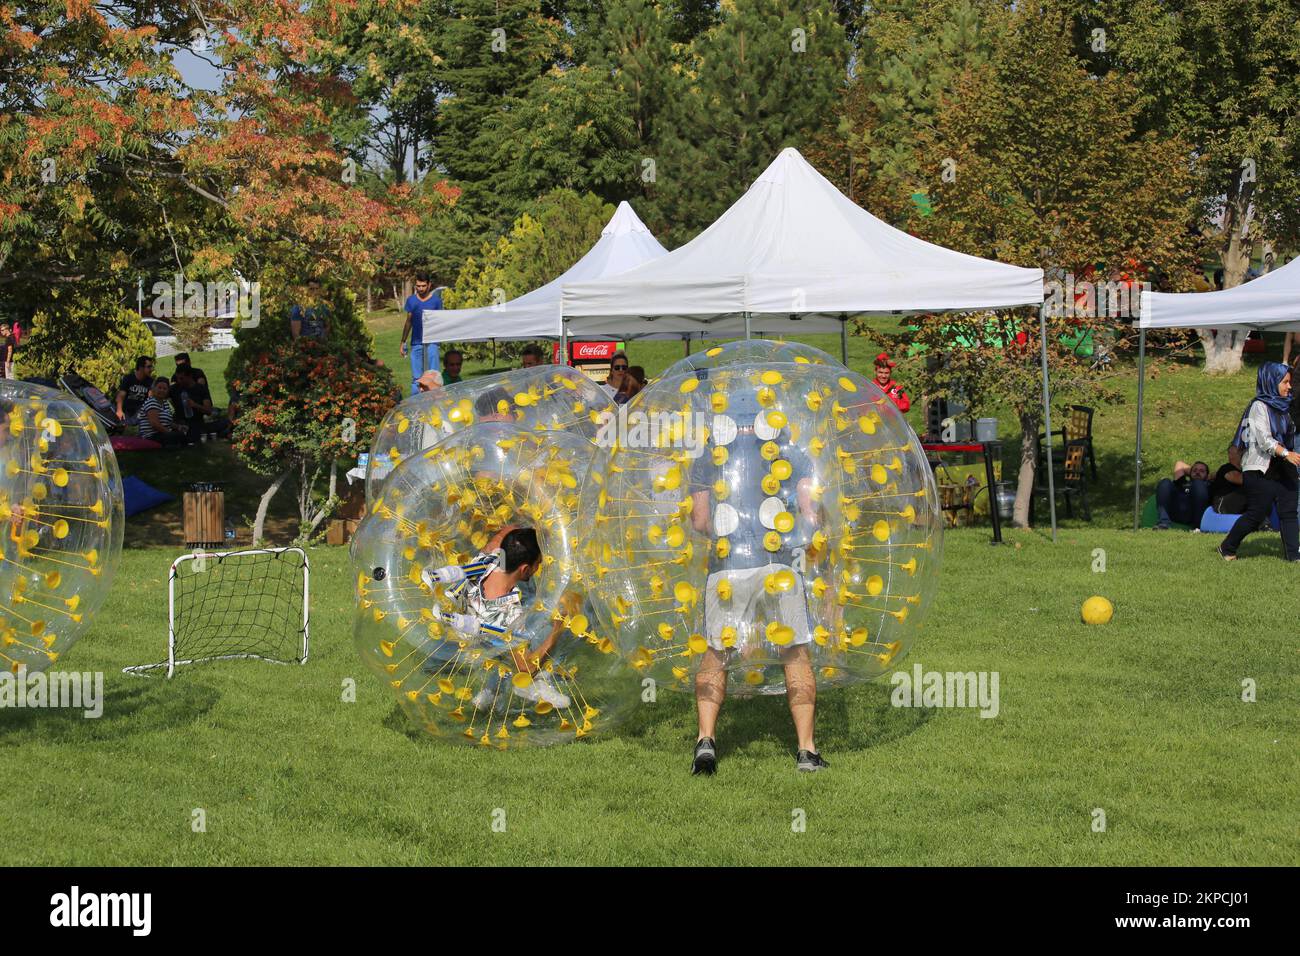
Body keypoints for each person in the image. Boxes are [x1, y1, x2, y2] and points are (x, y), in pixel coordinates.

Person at [688, 381, 825, 774]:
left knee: (716, 653)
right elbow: (809, 511)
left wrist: (726, 531)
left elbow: (700, 521)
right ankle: (806, 750)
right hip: (778, 566)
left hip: (727, 568)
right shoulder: (789, 452)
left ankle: (706, 741)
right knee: (794, 652)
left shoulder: (707, 457)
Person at [422, 526, 568, 707]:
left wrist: (535, 533)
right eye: (538, 563)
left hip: (472, 622)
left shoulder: (488, 560)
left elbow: (505, 534)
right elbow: (525, 667)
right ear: (524, 569)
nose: (539, 567)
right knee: (553, 623)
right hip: (487, 636)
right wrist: (557, 630)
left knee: (530, 606)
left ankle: (491, 690)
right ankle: (536, 683)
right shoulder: (509, 616)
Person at [1218, 362, 1300, 561]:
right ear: (1271, 382)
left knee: (1289, 512)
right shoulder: (1258, 406)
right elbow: (1264, 440)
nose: (1289, 387)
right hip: (1261, 471)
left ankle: (1293, 556)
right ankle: (1227, 547)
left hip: (1283, 469)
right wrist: (1286, 453)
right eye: (1285, 382)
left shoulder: (1286, 407)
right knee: (1256, 514)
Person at [401, 274, 442, 396]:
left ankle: (436, 401)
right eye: (418, 286)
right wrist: (403, 342)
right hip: (416, 343)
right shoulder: (411, 301)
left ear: (429, 285)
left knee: (434, 375)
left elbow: (440, 321)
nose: (421, 288)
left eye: (423, 286)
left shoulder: (436, 301)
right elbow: (408, 322)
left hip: (432, 343)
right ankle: (416, 404)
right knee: (416, 378)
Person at [172, 366, 232, 440]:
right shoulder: (175, 388)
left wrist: (195, 405)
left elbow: (208, 411)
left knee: (224, 422)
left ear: (189, 376)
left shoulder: (200, 389)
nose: (179, 381)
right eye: (177, 378)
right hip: (181, 423)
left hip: (197, 423)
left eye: (182, 378)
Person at [1153, 460, 1210, 529]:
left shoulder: (1208, 485)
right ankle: (1163, 523)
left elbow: (1219, 475)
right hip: (1176, 511)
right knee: (1165, 482)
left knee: (1198, 483)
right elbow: (1179, 464)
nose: (1197, 472)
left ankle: (1198, 526)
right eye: (1194, 470)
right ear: (1189, 473)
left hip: (1195, 514)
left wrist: (1207, 477)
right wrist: (1196, 473)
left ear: (1207, 476)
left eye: (1202, 471)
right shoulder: (1182, 482)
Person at [137, 377, 189, 448]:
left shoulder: (165, 403)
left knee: (185, 430)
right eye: (159, 388)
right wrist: (169, 432)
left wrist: (179, 427)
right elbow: (154, 424)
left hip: (161, 433)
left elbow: (168, 422)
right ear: (154, 388)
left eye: (164, 389)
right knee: (179, 436)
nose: (162, 390)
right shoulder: (152, 402)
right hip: (152, 435)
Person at [116, 356, 155, 426]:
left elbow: (150, 400)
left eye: (151, 367)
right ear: (141, 368)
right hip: (127, 410)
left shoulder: (150, 381)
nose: (151, 369)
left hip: (140, 412)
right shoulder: (128, 378)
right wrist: (119, 410)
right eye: (149, 367)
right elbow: (121, 395)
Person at [1209, 447, 1246, 515]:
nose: (1243, 451)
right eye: (1239, 450)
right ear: (1230, 454)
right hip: (1222, 503)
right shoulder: (1226, 468)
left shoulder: (1243, 471)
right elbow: (1240, 479)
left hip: (1236, 505)